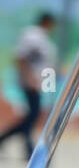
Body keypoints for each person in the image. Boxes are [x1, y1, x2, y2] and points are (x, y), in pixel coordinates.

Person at [0, 11, 57, 158]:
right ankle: (25, 148)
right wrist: (29, 77)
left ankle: (26, 149)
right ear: (47, 22)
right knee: (33, 115)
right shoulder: (32, 36)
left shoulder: (43, 37)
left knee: (32, 116)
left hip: (37, 82)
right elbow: (20, 58)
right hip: (30, 82)